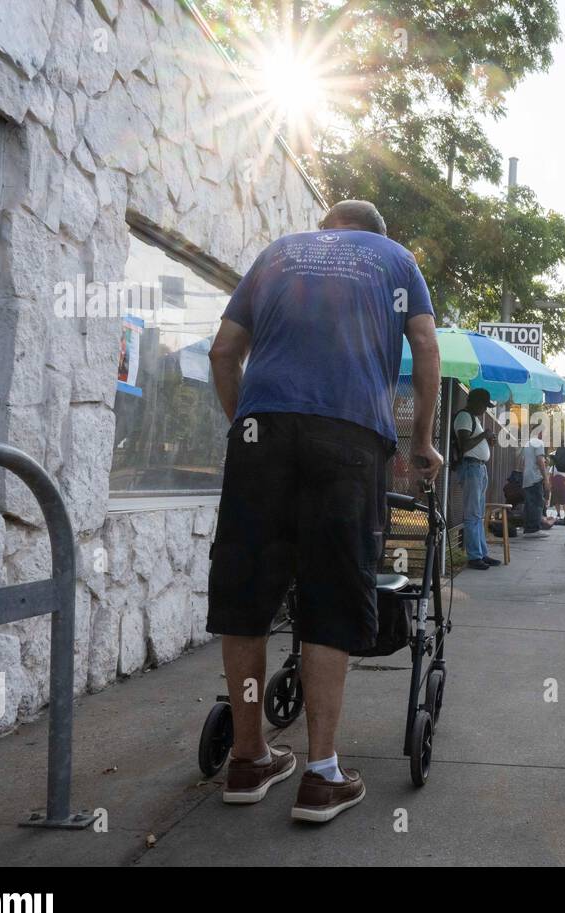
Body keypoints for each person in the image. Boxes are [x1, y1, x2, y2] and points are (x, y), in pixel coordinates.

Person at [206, 199, 442, 824]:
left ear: (328, 226)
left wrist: (250, 429)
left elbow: (223, 352)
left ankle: (251, 757)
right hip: (350, 436)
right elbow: (424, 346)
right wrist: (420, 442)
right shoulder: (395, 260)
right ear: (375, 235)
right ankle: (321, 774)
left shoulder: (278, 251)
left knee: (247, 593)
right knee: (333, 594)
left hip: (264, 430)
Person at [452, 388, 503, 570]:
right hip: (471, 467)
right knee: (473, 514)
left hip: (479, 468)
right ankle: (474, 556)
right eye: (484, 406)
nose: (485, 410)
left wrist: (487, 441)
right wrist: (484, 435)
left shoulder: (474, 419)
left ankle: (481, 553)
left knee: (478, 515)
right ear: (475, 402)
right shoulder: (464, 417)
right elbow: (464, 445)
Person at [521, 422, 550, 538]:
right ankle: (534, 529)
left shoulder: (527, 443)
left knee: (529, 503)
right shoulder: (538, 442)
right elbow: (540, 461)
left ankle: (528, 529)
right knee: (537, 503)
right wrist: (546, 479)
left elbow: (524, 462)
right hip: (535, 477)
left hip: (527, 476)